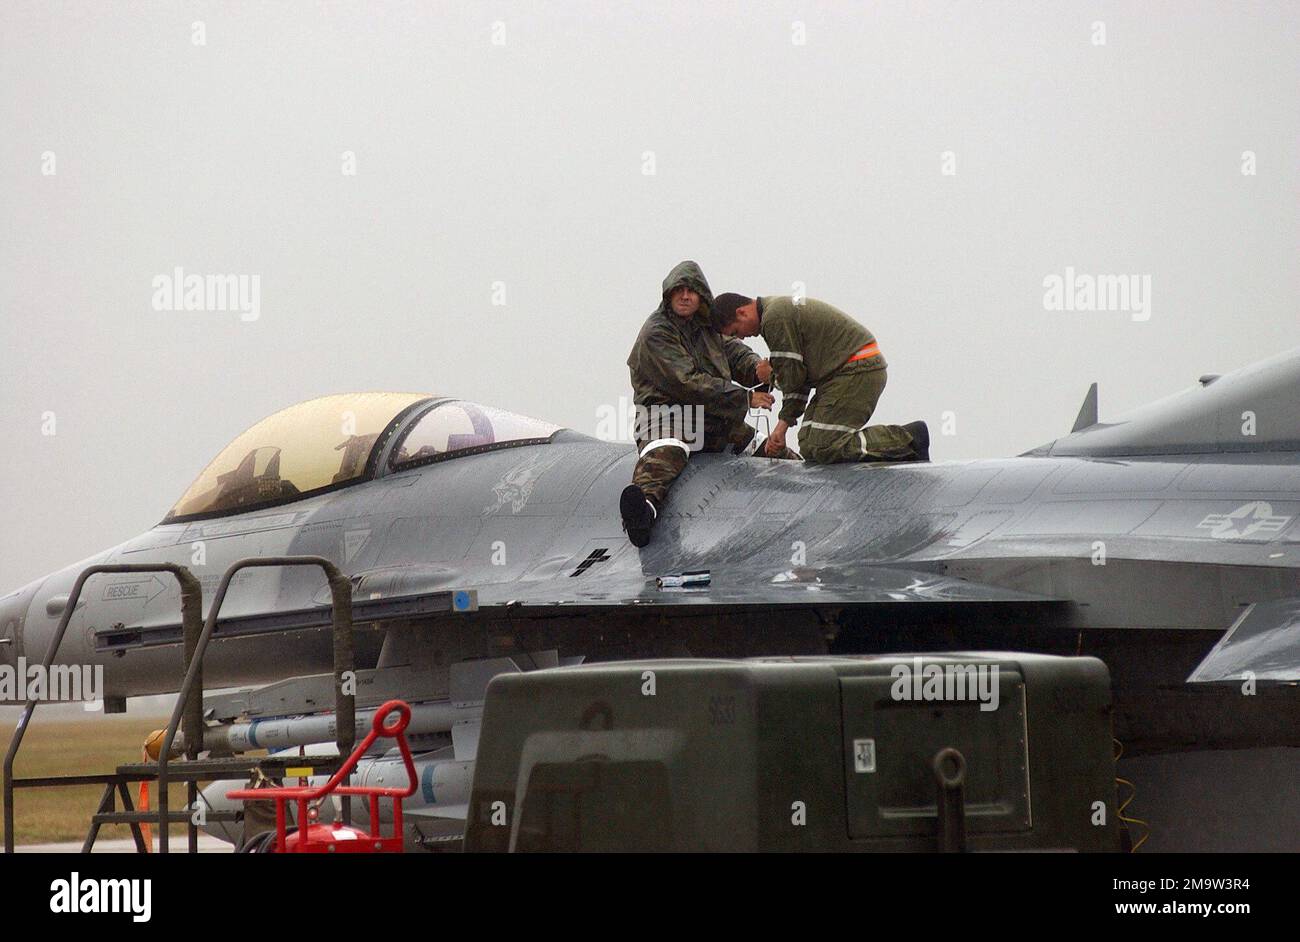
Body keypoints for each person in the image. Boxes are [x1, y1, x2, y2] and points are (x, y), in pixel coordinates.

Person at [621, 261, 792, 546]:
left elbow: (734, 353)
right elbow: (687, 383)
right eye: (679, 291)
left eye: (691, 290)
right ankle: (643, 513)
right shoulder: (657, 333)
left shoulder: (709, 328)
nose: (685, 296)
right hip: (669, 416)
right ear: (669, 295)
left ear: (701, 295)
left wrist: (756, 369)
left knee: (770, 451)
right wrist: (745, 398)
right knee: (667, 454)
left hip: (714, 417)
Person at [710, 292, 929, 464]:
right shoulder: (775, 314)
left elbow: (792, 378)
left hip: (857, 369)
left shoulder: (774, 318)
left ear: (741, 313)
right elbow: (800, 379)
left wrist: (770, 376)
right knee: (809, 445)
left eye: (736, 331)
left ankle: (907, 438)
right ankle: (889, 449)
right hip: (839, 376)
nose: (742, 337)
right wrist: (782, 428)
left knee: (825, 445)